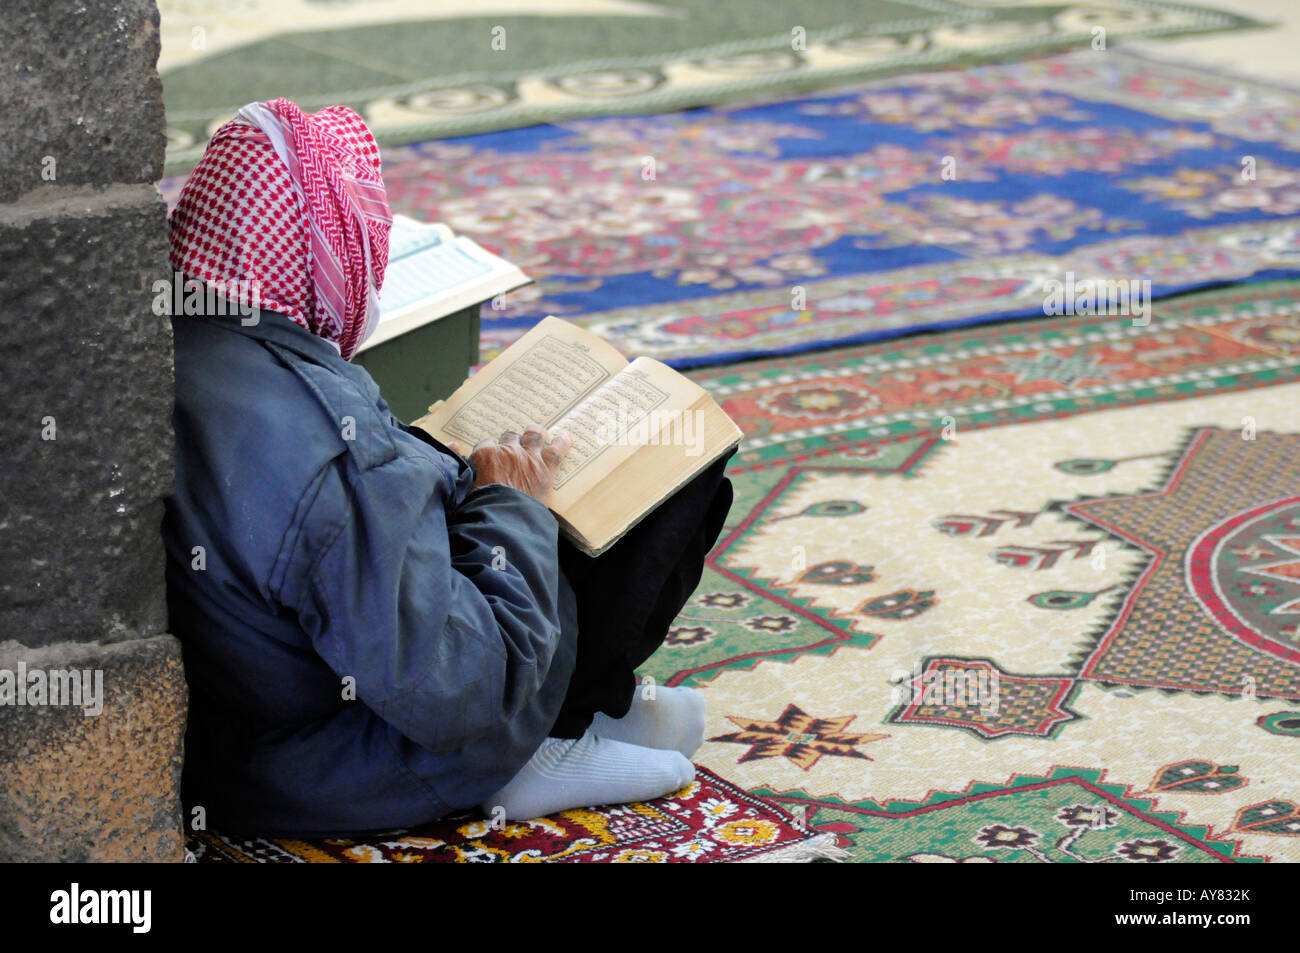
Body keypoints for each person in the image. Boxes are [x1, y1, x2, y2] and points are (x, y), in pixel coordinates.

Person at [162, 99, 734, 836]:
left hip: (235, 739)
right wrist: (513, 503)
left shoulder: (170, 340)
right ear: (323, 243)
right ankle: (543, 746)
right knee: (675, 478)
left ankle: (599, 710)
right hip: (342, 763)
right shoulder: (330, 446)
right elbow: (462, 688)